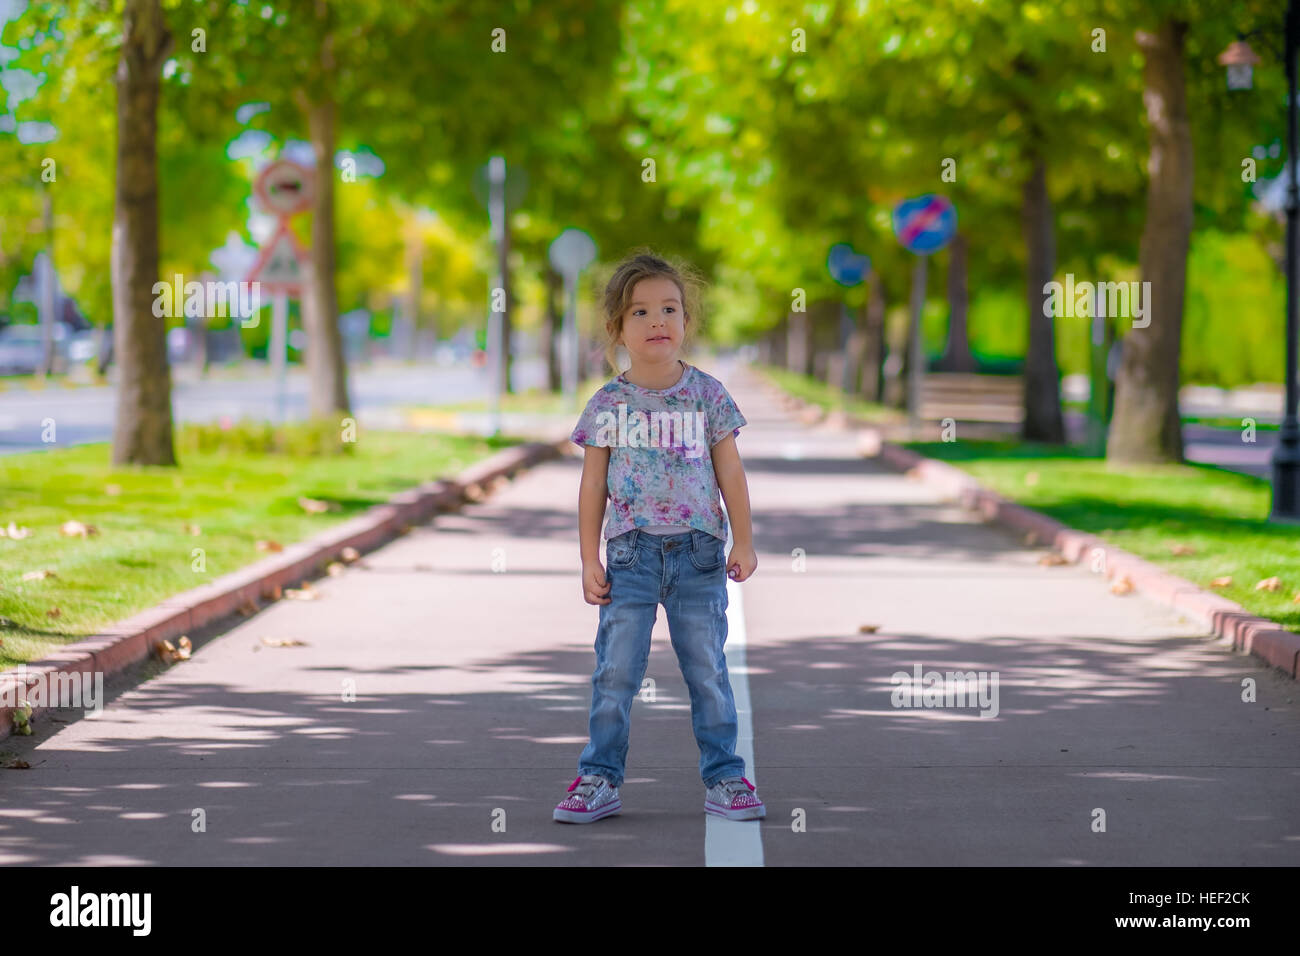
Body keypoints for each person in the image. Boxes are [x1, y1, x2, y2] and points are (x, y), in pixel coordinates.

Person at [553, 250, 764, 824]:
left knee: (706, 669)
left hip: (697, 554)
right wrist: (587, 557)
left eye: (669, 308)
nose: (656, 321)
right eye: (640, 312)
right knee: (616, 670)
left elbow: (731, 473)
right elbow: (592, 484)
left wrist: (743, 541)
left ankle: (726, 778)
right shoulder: (607, 404)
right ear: (618, 328)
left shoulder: (708, 395)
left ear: (686, 322)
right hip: (630, 555)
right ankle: (599, 777)